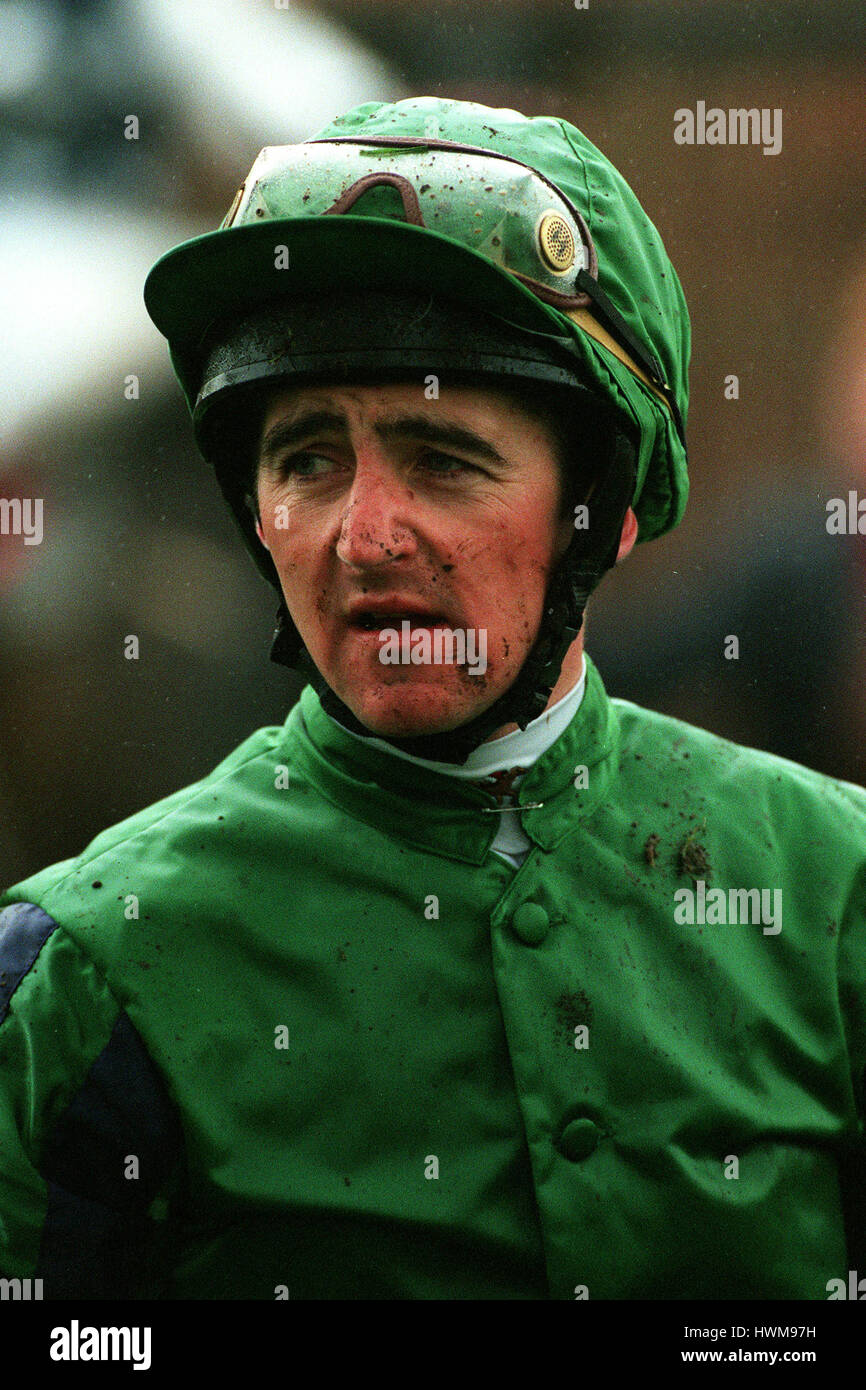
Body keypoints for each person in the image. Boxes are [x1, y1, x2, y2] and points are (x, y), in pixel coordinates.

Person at [1, 96, 864, 1302]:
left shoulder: (835, 893)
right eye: (306, 458)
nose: (363, 536)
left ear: (604, 511)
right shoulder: (83, 969)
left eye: (443, 459)